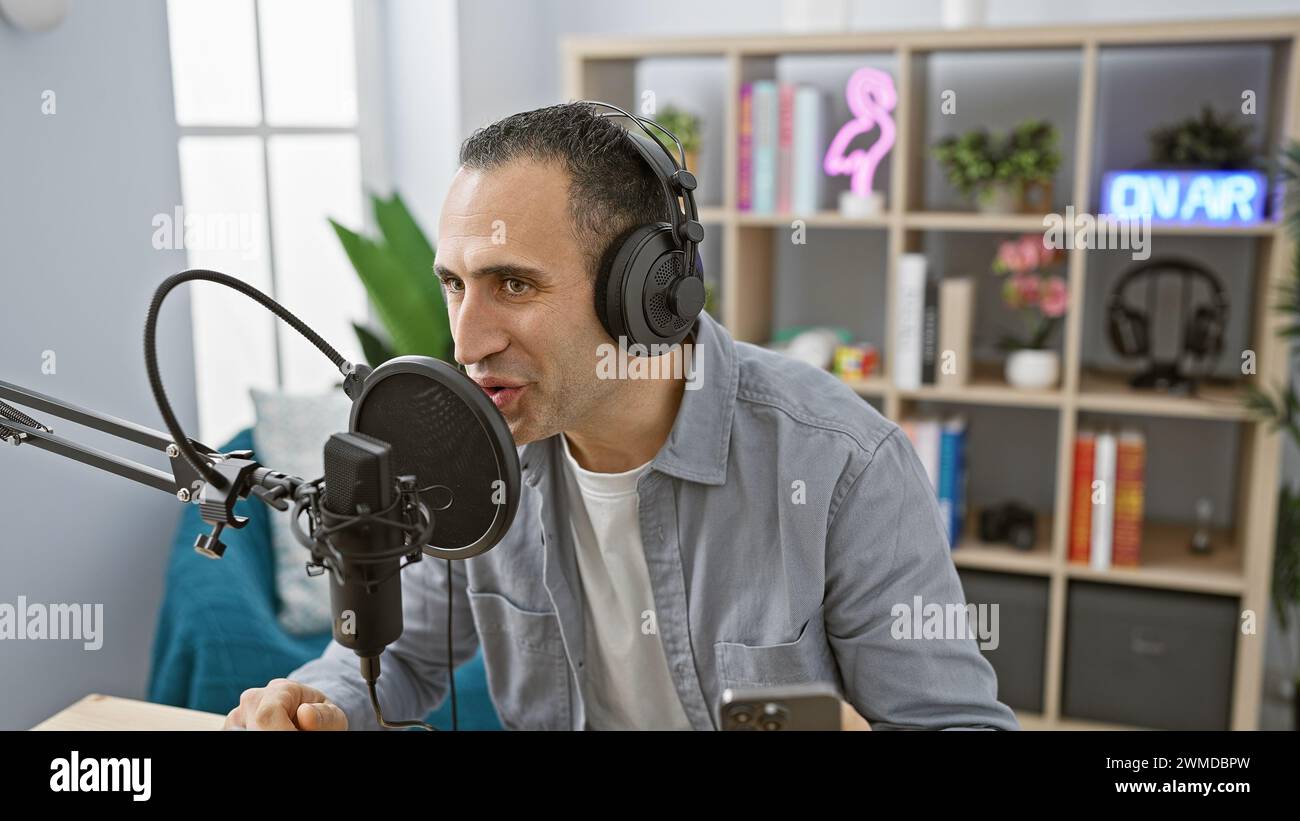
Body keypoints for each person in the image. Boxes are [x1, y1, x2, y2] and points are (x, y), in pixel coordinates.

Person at [224, 101, 1018, 731]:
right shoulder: (466, 454)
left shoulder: (842, 465)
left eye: (515, 284)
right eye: (455, 284)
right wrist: (308, 702)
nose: (466, 340)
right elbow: (399, 662)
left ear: (646, 294)